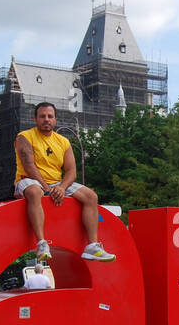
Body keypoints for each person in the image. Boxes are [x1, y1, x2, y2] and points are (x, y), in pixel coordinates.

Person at [14, 102, 115, 262]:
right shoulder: (24, 137)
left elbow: (72, 171)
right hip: (30, 180)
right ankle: (41, 243)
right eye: (42, 116)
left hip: (56, 183)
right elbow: (29, 167)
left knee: (91, 197)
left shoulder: (63, 141)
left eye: (50, 116)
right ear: (35, 119)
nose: (46, 119)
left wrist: (61, 188)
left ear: (55, 119)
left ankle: (92, 246)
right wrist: (48, 189)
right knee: (35, 192)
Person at [23, 261, 52, 325]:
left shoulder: (30, 278)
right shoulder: (46, 278)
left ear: (34, 271)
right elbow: (49, 289)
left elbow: (25, 288)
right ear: (42, 271)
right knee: (42, 322)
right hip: (42, 302)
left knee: (32, 322)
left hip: (32, 302)